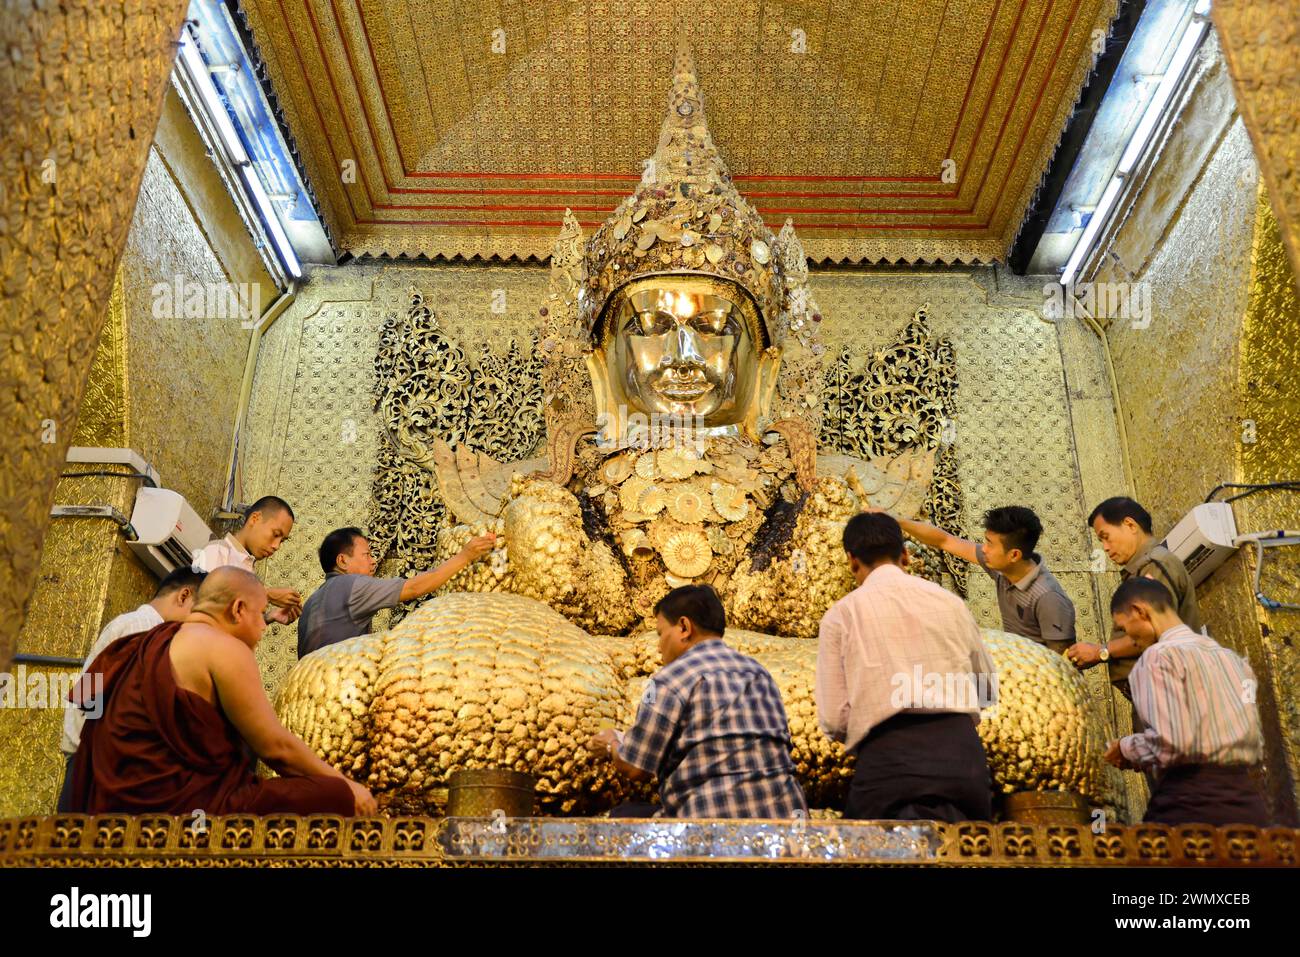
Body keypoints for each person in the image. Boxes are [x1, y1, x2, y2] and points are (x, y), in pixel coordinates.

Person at [67, 567, 375, 817]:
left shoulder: (151, 641)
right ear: (238, 609)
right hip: (184, 808)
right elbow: (275, 748)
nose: (263, 626)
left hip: (109, 803)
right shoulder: (224, 647)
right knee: (334, 796)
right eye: (261, 614)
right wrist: (347, 786)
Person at [816, 512, 996, 822]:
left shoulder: (841, 616)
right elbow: (986, 687)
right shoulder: (950, 602)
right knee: (968, 853)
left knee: (875, 854)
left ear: (852, 561)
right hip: (962, 759)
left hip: (888, 763)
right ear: (905, 554)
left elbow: (834, 719)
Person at [586, 584, 807, 818]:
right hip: (785, 826)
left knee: (623, 815)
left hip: (710, 832)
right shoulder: (760, 673)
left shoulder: (669, 679)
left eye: (661, 634)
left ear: (683, 627)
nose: (659, 646)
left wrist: (611, 743)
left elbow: (634, 767)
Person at [1104, 577, 1268, 827]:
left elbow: (1173, 743)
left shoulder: (1158, 658)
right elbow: (1255, 738)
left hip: (1192, 804)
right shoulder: (1232, 660)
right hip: (1249, 804)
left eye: (1125, 628)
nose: (1131, 639)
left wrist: (1126, 748)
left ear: (1139, 611)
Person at [56, 567, 207, 812]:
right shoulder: (140, 627)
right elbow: (93, 697)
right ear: (183, 596)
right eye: (201, 613)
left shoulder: (145, 628)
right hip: (98, 765)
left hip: (99, 762)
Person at [884, 505, 1075, 653]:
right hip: (1014, 667)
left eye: (990, 544)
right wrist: (895, 521)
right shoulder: (1002, 568)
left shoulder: (1048, 597)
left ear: (1014, 555)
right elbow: (944, 540)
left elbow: (1062, 662)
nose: (983, 549)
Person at [1066, 497, 1203, 695]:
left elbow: (1154, 632)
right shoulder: (1141, 568)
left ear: (1130, 525)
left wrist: (1100, 652)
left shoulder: (1154, 566)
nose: (1104, 547)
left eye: (1106, 536)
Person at [296, 527, 497, 659]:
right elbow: (413, 588)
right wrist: (466, 555)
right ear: (342, 561)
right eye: (366, 555)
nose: (373, 561)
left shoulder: (312, 602)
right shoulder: (352, 585)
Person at [193, 495, 302, 624]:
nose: (276, 546)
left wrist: (268, 617)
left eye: (282, 541)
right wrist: (265, 594)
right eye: (276, 534)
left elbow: (234, 625)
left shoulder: (250, 573)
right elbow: (204, 605)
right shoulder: (217, 550)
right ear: (255, 519)